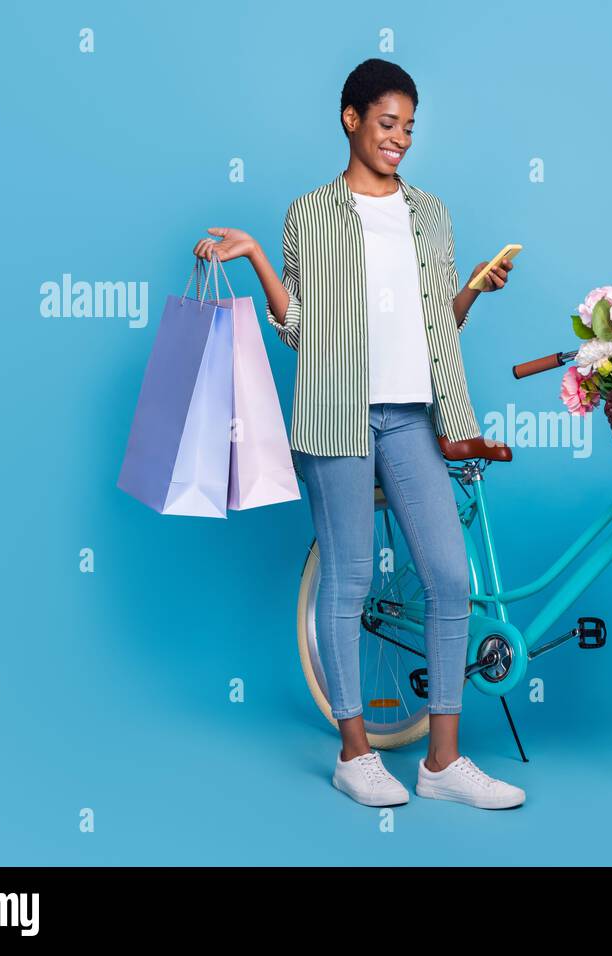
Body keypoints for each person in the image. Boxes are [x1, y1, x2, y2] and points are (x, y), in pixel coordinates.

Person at [193, 58, 522, 810]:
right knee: (350, 582)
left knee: (449, 579)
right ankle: (354, 752)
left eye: (409, 127)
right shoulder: (309, 214)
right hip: (336, 413)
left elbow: (439, 324)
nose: (400, 138)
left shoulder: (431, 214)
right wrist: (252, 261)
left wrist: (471, 286)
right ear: (351, 119)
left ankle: (441, 763)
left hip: (412, 415)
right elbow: (300, 330)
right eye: (386, 123)